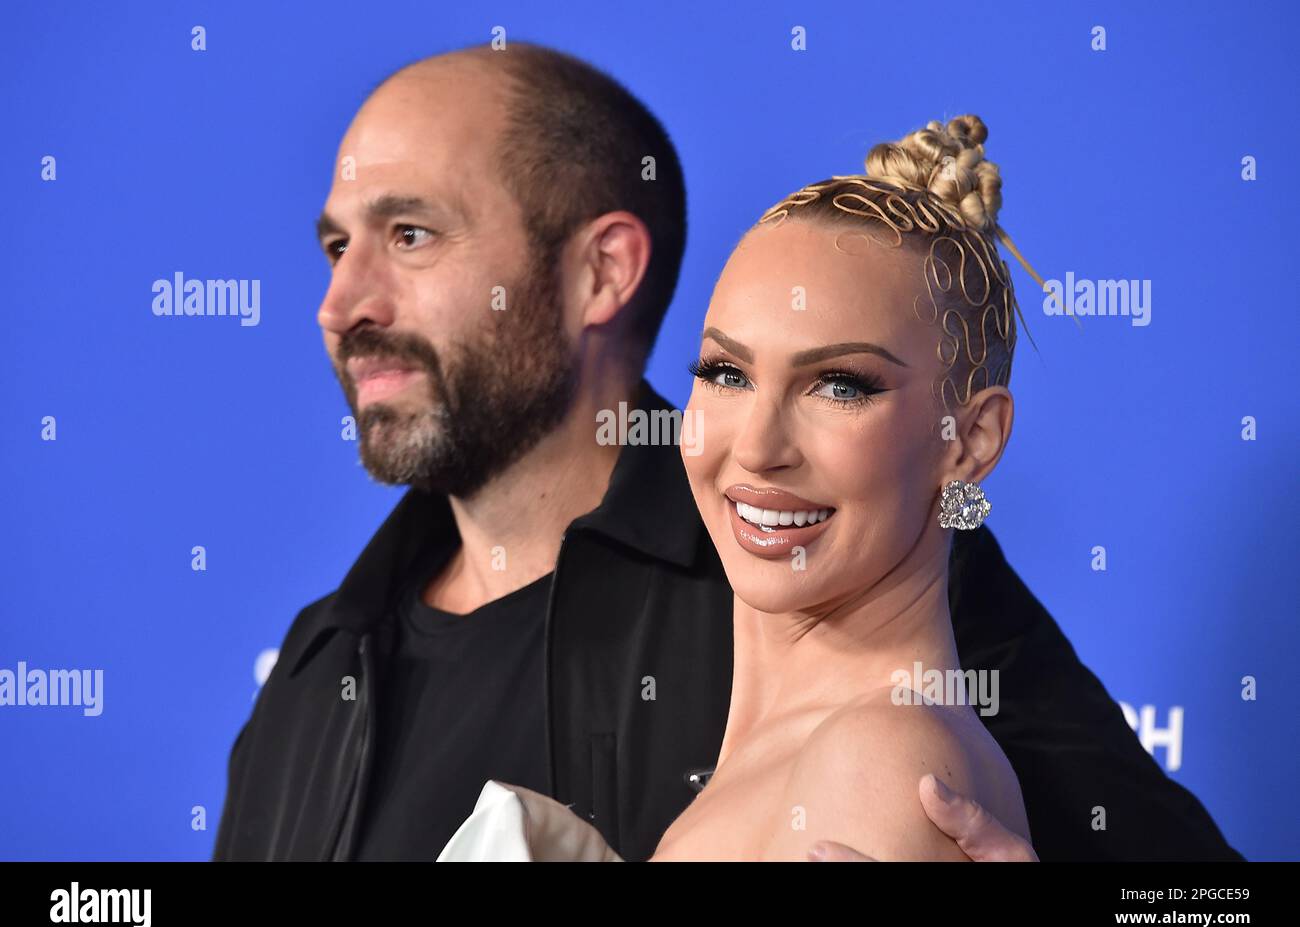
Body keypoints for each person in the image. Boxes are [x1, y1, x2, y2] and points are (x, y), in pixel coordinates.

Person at [212, 42, 1242, 862]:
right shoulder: (317, 665)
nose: (342, 306)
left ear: (601, 274)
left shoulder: (812, 556)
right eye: (336, 246)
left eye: (410, 235)